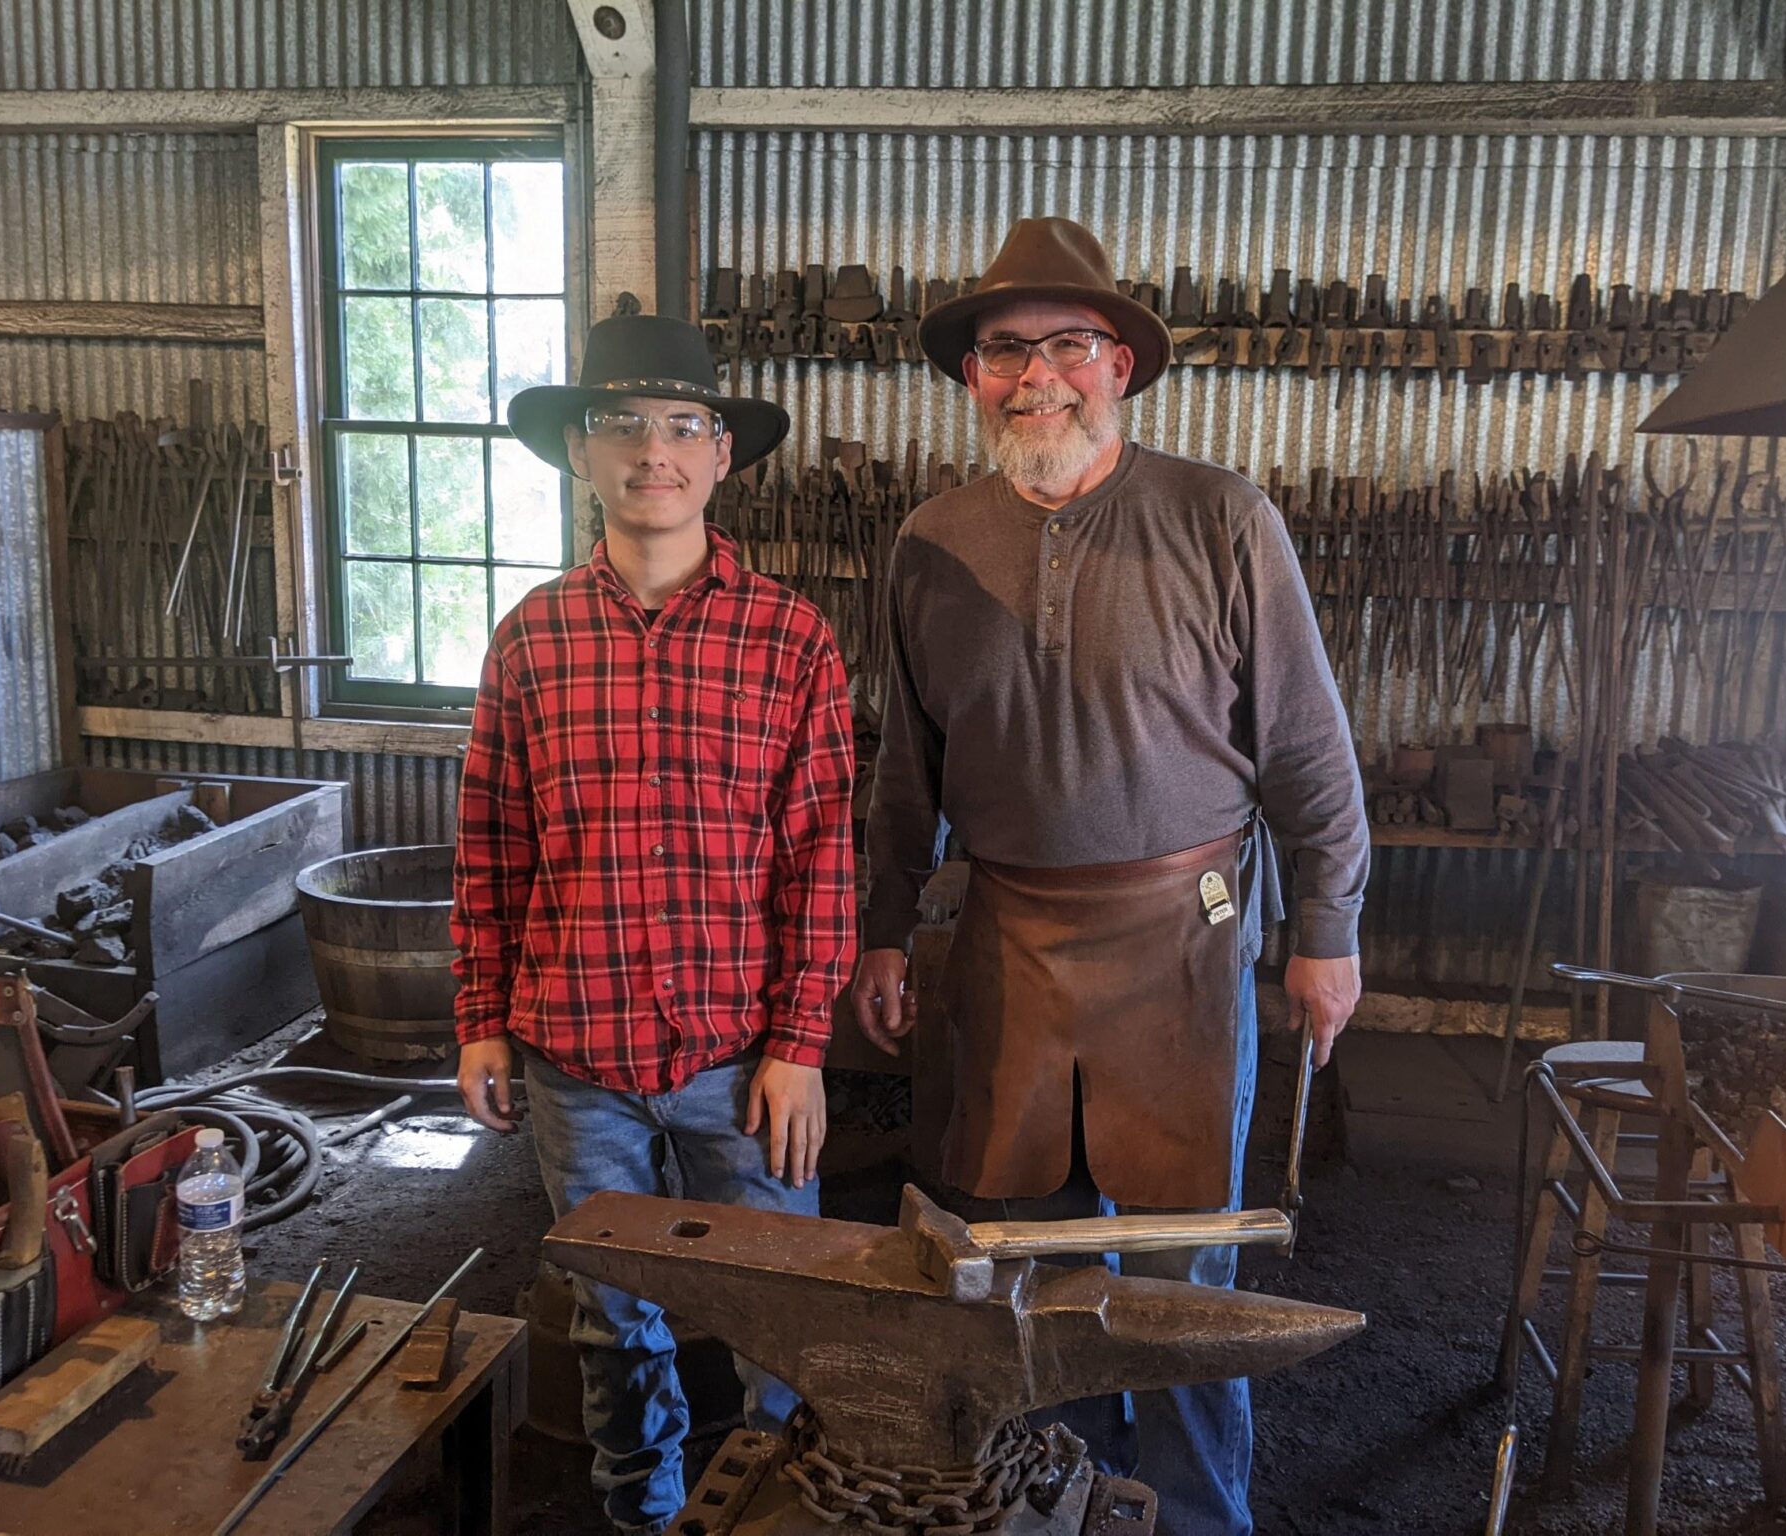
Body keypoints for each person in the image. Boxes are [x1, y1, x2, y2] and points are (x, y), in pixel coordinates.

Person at [849, 217, 1370, 1534]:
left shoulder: (1220, 517)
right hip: (1009, 939)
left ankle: (1193, 1517)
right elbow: (905, 770)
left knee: (1178, 1275)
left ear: (1119, 366)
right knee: (1026, 1261)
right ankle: (1062, 1505)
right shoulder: (929, 543)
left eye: (1067, 346)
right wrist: (882, 927)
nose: (1037, 377)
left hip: (1180, 937)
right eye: (1003, 351)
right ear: (972, 377)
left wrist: (1328, 926)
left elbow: (1307, 746)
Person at [451, 314, 855, 1535]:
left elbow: (821, 856)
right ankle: (644, 1512)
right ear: (580, 452)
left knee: (779, 1304)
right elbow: (491, 847)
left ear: (721, 453)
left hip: (741, 1057)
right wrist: (479, 1019)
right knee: (611, 1316)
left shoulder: (790, 638)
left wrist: (800, 1044)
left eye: (682, 425)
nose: (652, 451)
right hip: (576, 1055)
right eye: (620, 424)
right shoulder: (531, 638)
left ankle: (782, 1511)